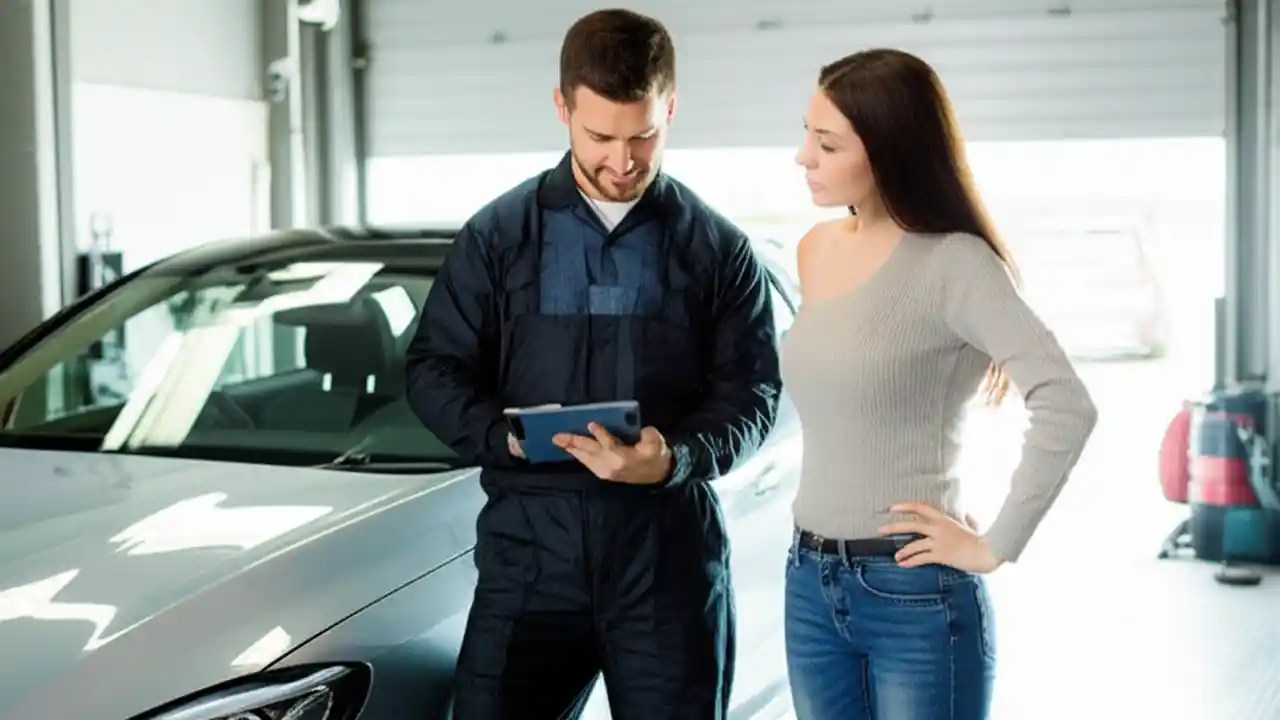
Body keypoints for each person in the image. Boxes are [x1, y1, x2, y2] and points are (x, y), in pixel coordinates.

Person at [404, 9, 782, 720]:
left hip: (665, 565)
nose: (622, 160)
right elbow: (432, 369)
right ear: (562, 107)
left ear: (671, 107)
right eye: (600, 136)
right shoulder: (496, 238)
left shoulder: (717, 251)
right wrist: (504, 435)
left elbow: (753, 393)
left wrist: (676, 455)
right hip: (527, 561)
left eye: (644, 135)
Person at [781, 48, 1098, 720]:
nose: (803, 157)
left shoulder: (956, 263)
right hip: (809, 583)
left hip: (913, 596)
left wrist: (995, 544)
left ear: (890, 150)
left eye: (827, 143)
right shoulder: (814, 249)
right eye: (807, 132)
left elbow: (1066, 403)